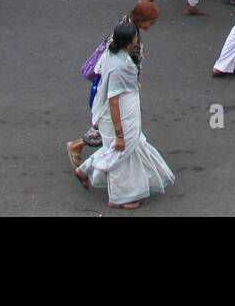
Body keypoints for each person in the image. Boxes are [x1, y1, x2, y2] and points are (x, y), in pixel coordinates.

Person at [74, 21, 175, 209]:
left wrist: (132, 85)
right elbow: (114, 101)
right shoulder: (120, 65)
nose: (138, 40)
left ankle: (121, 191)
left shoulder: (111, 54)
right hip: (119, 116)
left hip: (123, 112)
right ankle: (99, 181)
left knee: (129, 149)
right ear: (129, 42)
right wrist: (119, 134)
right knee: (120, 150)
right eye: (135, 38)